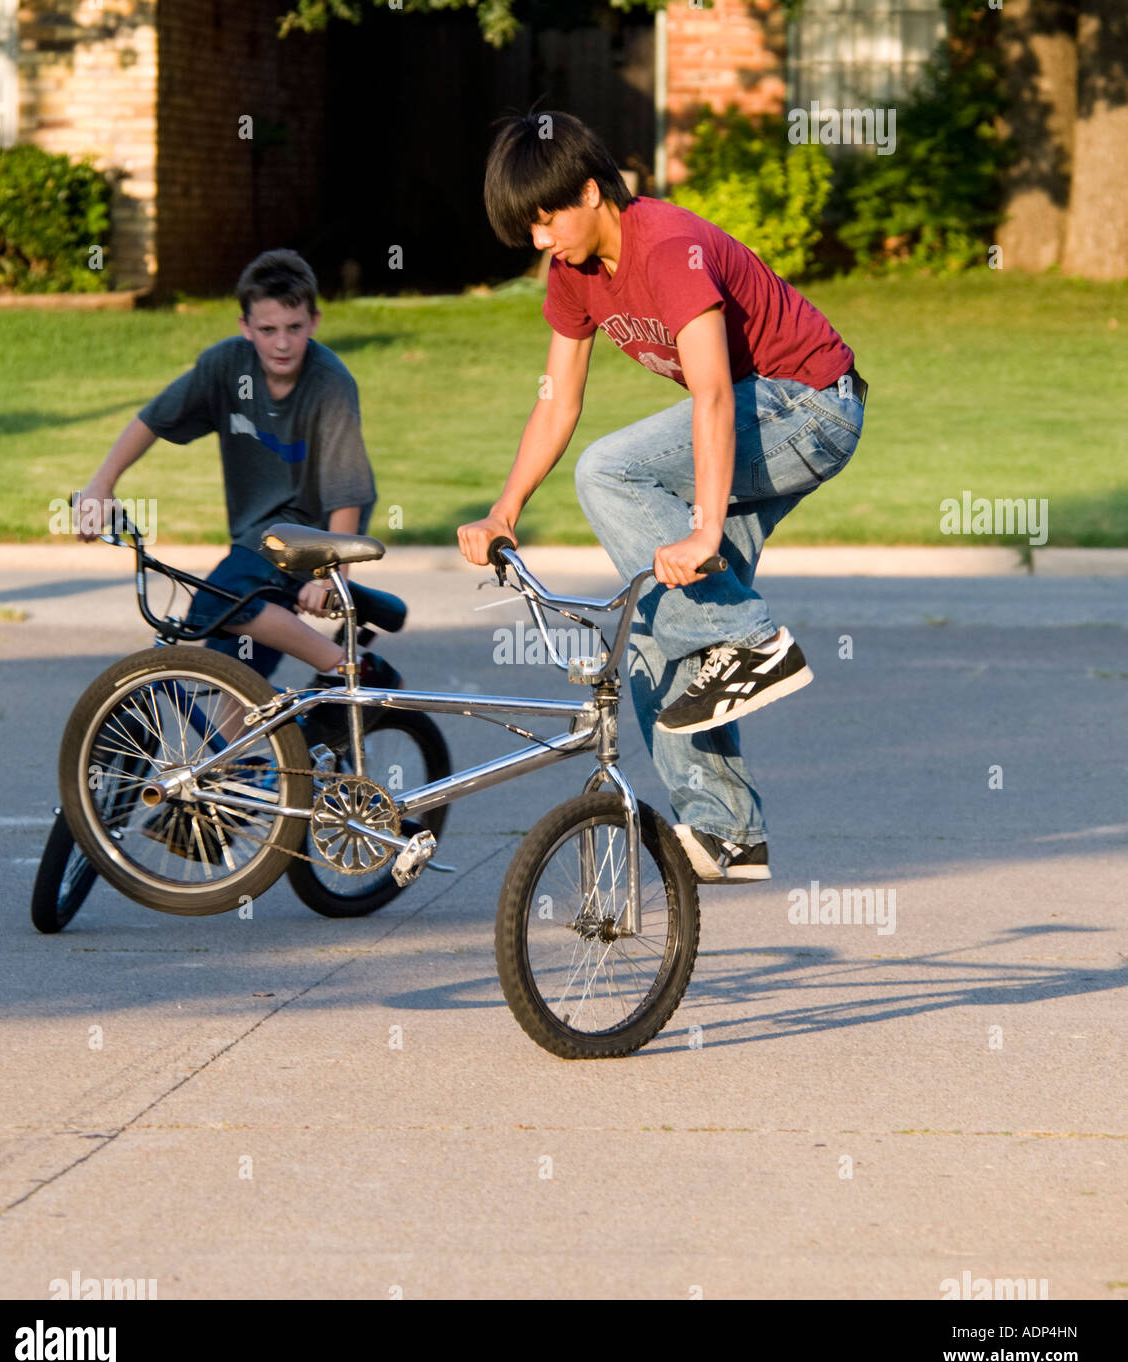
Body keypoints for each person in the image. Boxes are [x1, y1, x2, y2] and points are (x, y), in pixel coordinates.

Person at [457, 112, 867, 884]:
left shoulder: (667, 245)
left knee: (608, 470)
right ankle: (725, 831)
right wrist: (504, 508)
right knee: (654, 632)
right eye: (528, 229)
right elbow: (557, 400)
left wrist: (704, 529)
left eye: (547, 218)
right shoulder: (573, 275)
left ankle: (748, 638)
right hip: (753, 424)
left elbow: (713, 395)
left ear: (589, 190)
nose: (541, 240)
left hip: (809, 407)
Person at [74, 247, 377, 684]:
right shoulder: (226, 365)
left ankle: (346, 667)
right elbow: (152, 420)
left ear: (314, 321)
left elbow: (347, 489)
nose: (282, 343)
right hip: (255, 539)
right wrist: (101, 484)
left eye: (295, 328)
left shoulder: (331, 385)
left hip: (311, 532)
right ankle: (257, 755)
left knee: (213, 605)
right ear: (246, 327)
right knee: (232, 667)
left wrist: (332, 576)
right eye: (268, 329)